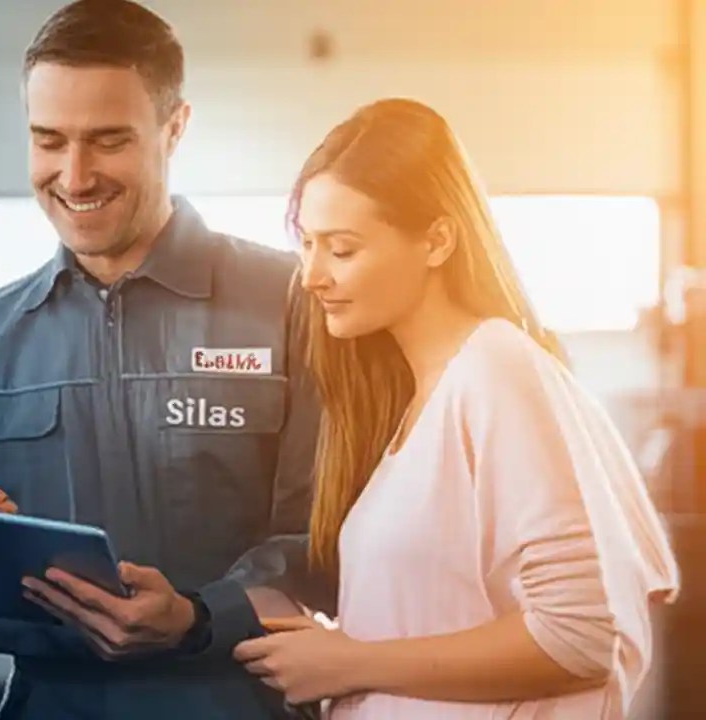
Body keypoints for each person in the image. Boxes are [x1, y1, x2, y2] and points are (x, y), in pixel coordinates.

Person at [0, 1, 322, 717]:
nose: (74, 177)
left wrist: (202, 616)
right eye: (49, 140)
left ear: (176, 128)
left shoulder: (294, 306)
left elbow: (339, 541)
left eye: (108, 141)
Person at [232, 98, 681, 718]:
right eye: (306, 243)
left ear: (437, 241)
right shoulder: (420, 397)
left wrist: (347, 660)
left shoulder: (495, 367)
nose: (310, 275)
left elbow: (580, 635)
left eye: (341, 249)